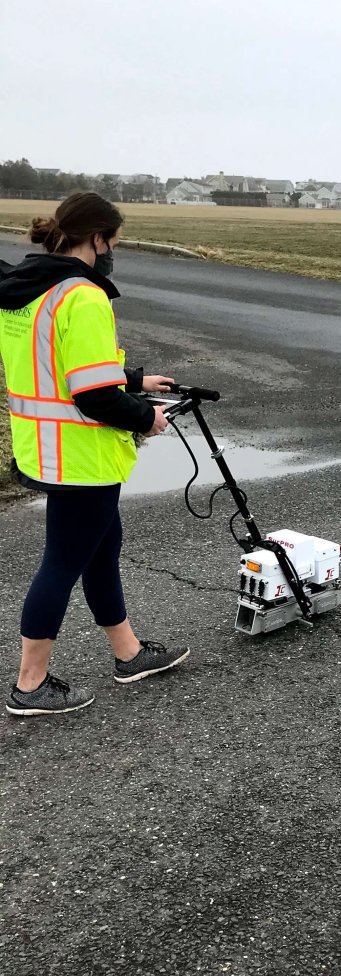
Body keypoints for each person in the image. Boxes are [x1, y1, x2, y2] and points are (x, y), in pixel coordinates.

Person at [1, 192, 190, 716]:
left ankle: (128, 654)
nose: (112, 253)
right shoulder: (82, 295)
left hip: (46, 448)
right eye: (114, 242)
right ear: (99, 238)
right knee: (62, 563)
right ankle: (30, 684)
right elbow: (93, 396)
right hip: (82, 454)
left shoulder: (26, 287)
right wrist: (145, 415)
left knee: (102, 549)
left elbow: (63, 365)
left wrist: (133, 378)